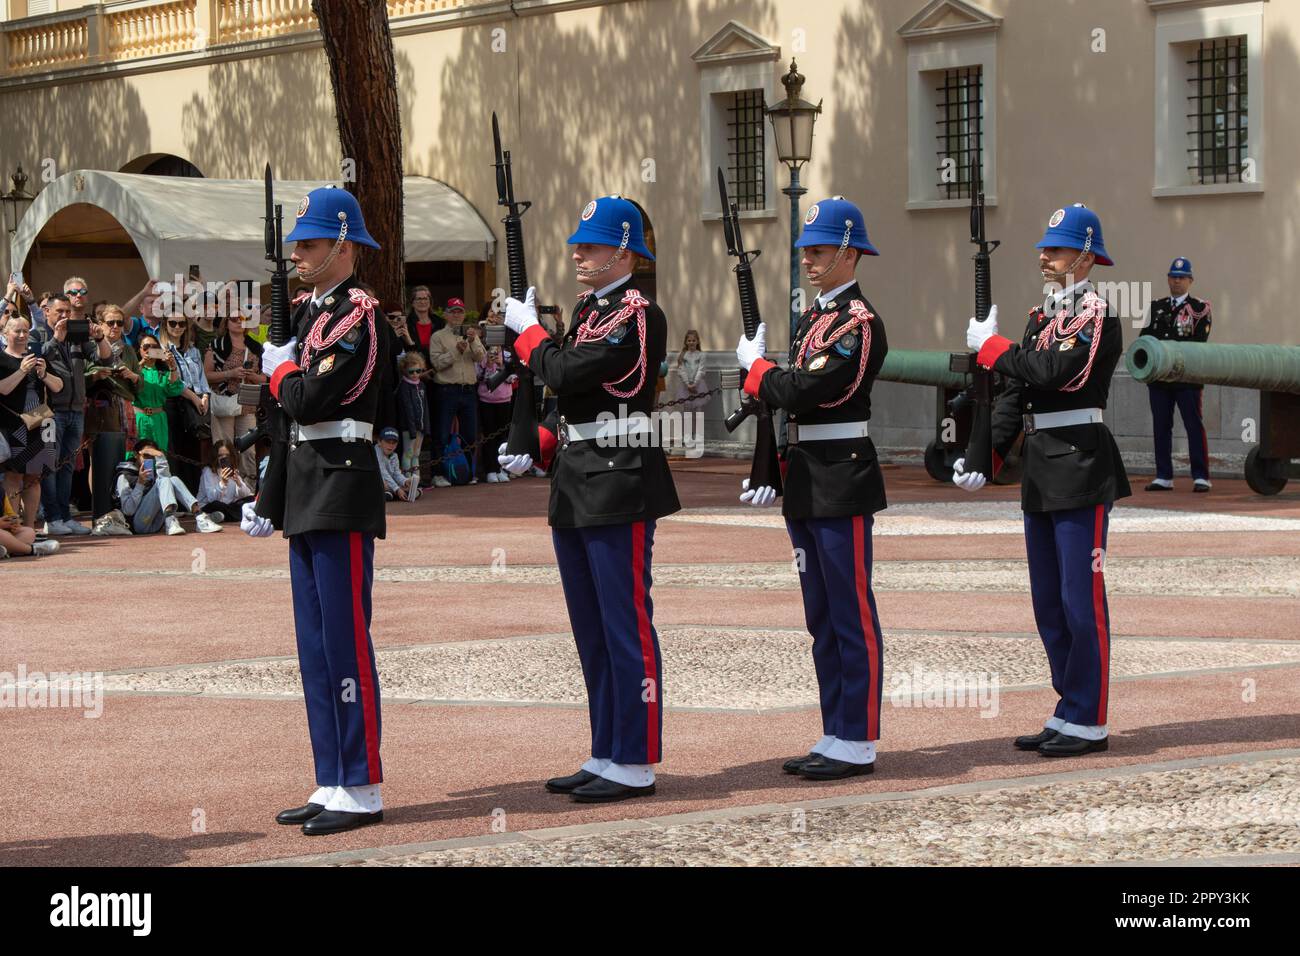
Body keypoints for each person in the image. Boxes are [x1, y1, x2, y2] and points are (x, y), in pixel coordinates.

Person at [499, 195, 679, 803]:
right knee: (590, 625)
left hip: (620, 476)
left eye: (593, 244)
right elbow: (575, 400)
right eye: (578, 242)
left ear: (624, 251)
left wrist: (530, 336)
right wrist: (543, 439)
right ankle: (606, 748)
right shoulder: (589, 307)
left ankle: (636, 758)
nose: (578, 252)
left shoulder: (638, 311)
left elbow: (572, 372)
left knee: (624, 622)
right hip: (578, 475)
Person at [954, 203, 1130, 757]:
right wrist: (984, 454)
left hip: (1080, 463)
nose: (1043, 256)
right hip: (1042, 468)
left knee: (1083, 601)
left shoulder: (1100, 315)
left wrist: (996, 348)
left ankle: (1090, 718)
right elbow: (1016, 395)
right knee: (1048, 602)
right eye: (1043, 248)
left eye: (1054, 249)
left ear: (1084, 255)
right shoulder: (1041, 318)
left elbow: (1055, 372)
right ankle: (1068, 707)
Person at [243, 185, 388, 836]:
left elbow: (309, 398)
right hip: (306, 485)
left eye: (307, 242)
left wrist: (277, 376)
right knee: (313, 648)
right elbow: (288, 420)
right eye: (294, 243)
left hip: (342, 484)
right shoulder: (307, 315)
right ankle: (331, 776)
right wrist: (267, 496)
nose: (296, 253)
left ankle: (361, 783)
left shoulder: (360, 317)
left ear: (343, 246)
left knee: (345, 643)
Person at [736, 197, 889, 780]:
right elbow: (786, 396)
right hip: (806, 473)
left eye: (819, 250)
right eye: (805, 250)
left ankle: (859, 736)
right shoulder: (813, 319)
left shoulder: (858, 322)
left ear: (849, 252)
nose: (808, 259)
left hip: (841, 474)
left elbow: (807, 390)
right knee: (820, 613)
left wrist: (758, 371)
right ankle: (835, 729)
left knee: (850, 611)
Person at [36, 293, 111, 536]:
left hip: (76, 411)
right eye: (59, 312)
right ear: (46, 311)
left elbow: (104, 358)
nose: (65, 317)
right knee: (48, 466)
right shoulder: (39, 334)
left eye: (67, 312)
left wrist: (100, 339)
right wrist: (57, 338)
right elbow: (37, 361)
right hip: (51, 412)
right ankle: (52, 517)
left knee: (67, 466)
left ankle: (65, 517)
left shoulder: (77, 338)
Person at [1141, 257, 1212, 492]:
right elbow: (1145, 338)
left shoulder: (1200, 309)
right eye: (1173, 277)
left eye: (1181, 277)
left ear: (1190, 280)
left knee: (1193, 425)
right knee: (1161, 426)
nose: (1177, 281)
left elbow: (1199, 341)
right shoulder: (1156, 307)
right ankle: (1163, 475)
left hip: (1186, 377)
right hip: (1160, 378)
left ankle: (1201, 476)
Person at [1, 313, 64, 530]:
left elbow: (58, 387)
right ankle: (14, 528)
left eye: (25, 331)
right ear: (5, 333)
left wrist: (44, 373)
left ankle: (30, 527)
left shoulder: (37, 357)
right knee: (13, 475)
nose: (21, 335)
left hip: (39, 420)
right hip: (12, 423)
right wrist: (22, 371)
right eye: (16, 331)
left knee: (34, 476)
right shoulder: (2, 359)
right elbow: (3, 389)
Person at [84, 305, 141, 535]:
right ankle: (99, 510)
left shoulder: (128, 350)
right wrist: (96, 375)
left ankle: (118, 507)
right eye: (110, 323)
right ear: (101, 324)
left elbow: (140, 385)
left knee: (123, 459)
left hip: (125, 405)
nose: (115, 327)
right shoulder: (90, 347)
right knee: (96, 459)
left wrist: (133, 376)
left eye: (119, 322)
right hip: (100, 405)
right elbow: (82, 376)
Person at [427, 297, 484, 486]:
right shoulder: (438, 336)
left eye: (460, 311)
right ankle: (439, 473)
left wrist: (473, 340)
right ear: (446, 314)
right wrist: (456, 352)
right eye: (453, 311)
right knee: (442, 433)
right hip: (446, 389)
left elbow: (481, 357)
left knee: (469, 433)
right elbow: (436, 363)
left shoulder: (470, 334)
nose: (457, 315)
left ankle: (467, 473)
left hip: (468, 389)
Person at [205, 311, 266, 482]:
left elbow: (266, 378)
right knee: (224, 448)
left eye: (243, 319)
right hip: (224, 401)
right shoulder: (215, 345)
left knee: (249, 451)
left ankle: (247, 491)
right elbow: (207, 376)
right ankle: (225, 489)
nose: (239, 322)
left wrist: (252, 376)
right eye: (234, 319)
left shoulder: (256, 347)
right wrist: (230, 373)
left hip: (248, 402)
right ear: (226, 322)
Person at [116, 440, 222, 535]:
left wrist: (160, 457)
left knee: (173, 479)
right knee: (165, 480)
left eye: (153, 457)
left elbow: (166, 478)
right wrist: (140, 484)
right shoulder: (124, 476)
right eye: (146, 455)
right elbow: (128, 510)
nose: (149, 460)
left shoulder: (152, 474)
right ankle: (170, 519)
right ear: (136, 455)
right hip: (138, 524)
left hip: (157, 523)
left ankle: (199, 516)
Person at [159, 313, 211, 493]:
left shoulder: (193, 350)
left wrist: (204, 396)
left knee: (194, 449)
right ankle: (179, 499)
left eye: (182, 323)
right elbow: (172, 382)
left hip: (195, 404)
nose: (177, 327)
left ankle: (193, 495)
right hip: (174, 402)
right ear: (165, 325)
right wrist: (195, 398)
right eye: (172, 323)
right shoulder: (162, 350)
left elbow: (202, 377)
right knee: (176, 450)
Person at [132, 333, 184, 452]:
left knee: (160, 455)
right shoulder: (135, 368)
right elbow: (129, 381)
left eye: (154, 347)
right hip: (138, 418)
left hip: (158, 419)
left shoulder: (162, 372)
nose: (150, 350)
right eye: (146, 347)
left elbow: (174, 389)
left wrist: (172, 366)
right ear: (139, 349)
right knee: (136, 454)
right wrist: (142, 363)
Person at [477, 345, 513, 482]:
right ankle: (490, 470)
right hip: (487, 400)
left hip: (504, 399)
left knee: (502, 436)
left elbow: (512, 378)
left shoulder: (507, 355)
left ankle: (501, 468)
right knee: (489, 435)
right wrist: (489, 365)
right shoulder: (482, 355)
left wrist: (501, 365)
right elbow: (479, 378)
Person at [196, 440, 255, 523]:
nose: (224, 458)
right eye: (220, 455)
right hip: (209, 505)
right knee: (217, 505)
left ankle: (224, 516)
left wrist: (238, 483)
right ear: (215, 457)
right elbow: (211, 498)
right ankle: (240, 515)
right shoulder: (208, 471)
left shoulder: (233, 469)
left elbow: (245, 495)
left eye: (227, 455)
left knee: (250, 499)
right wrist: (223, 483)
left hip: (228, 506)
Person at [395, 350, 429, 481]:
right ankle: (407, 480)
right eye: (411, 371)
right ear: (405, 371)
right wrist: (412, 429)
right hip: (408, 427)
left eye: (418, 371)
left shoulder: (421, 385)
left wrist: (426, 426)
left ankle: (416, 480)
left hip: (420, 426)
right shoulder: (404, 386)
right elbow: (407, 409)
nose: (415, 374)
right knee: (408, 453)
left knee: (416, 454)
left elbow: (425, 408)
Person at [1, 489, 59, 556]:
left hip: (4, 533)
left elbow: (10, 514)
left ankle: (7, 550)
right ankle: (32, 549)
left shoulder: (1, 492)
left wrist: (14, 523)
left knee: (29, 532)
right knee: (1, 534)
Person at [375, 427, 419, 501]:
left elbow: (396, 473)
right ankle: (393, 493)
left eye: (394, 443)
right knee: (382, 482)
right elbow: (383, 473)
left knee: (403, 485)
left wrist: (405, 481)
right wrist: (397, 489)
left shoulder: (394, 455)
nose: (391, 445)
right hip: (373, 482)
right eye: (388, 442)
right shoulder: (376, 452)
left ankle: (393, 494)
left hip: (388, 484)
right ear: (379, 442)